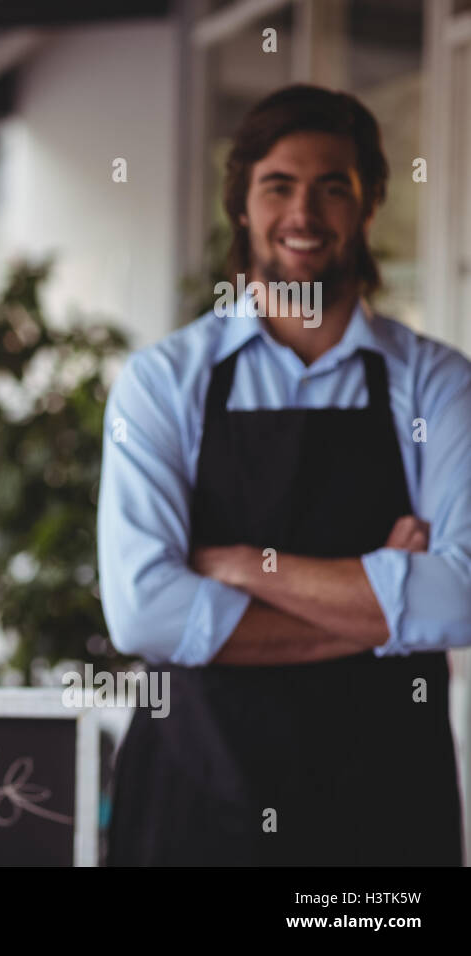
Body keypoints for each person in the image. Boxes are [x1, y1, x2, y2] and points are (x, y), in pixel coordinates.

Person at [98, 85, 470, 865]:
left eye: (334, 186)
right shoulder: (165, 382)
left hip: (385, 811)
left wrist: (241, 570)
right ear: (242, 206)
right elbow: (144, 616)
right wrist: (382, 607)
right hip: (199, 800)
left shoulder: (438, 384)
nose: (305, 212)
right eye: (279, 185)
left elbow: (461, 598)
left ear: (368, 210)